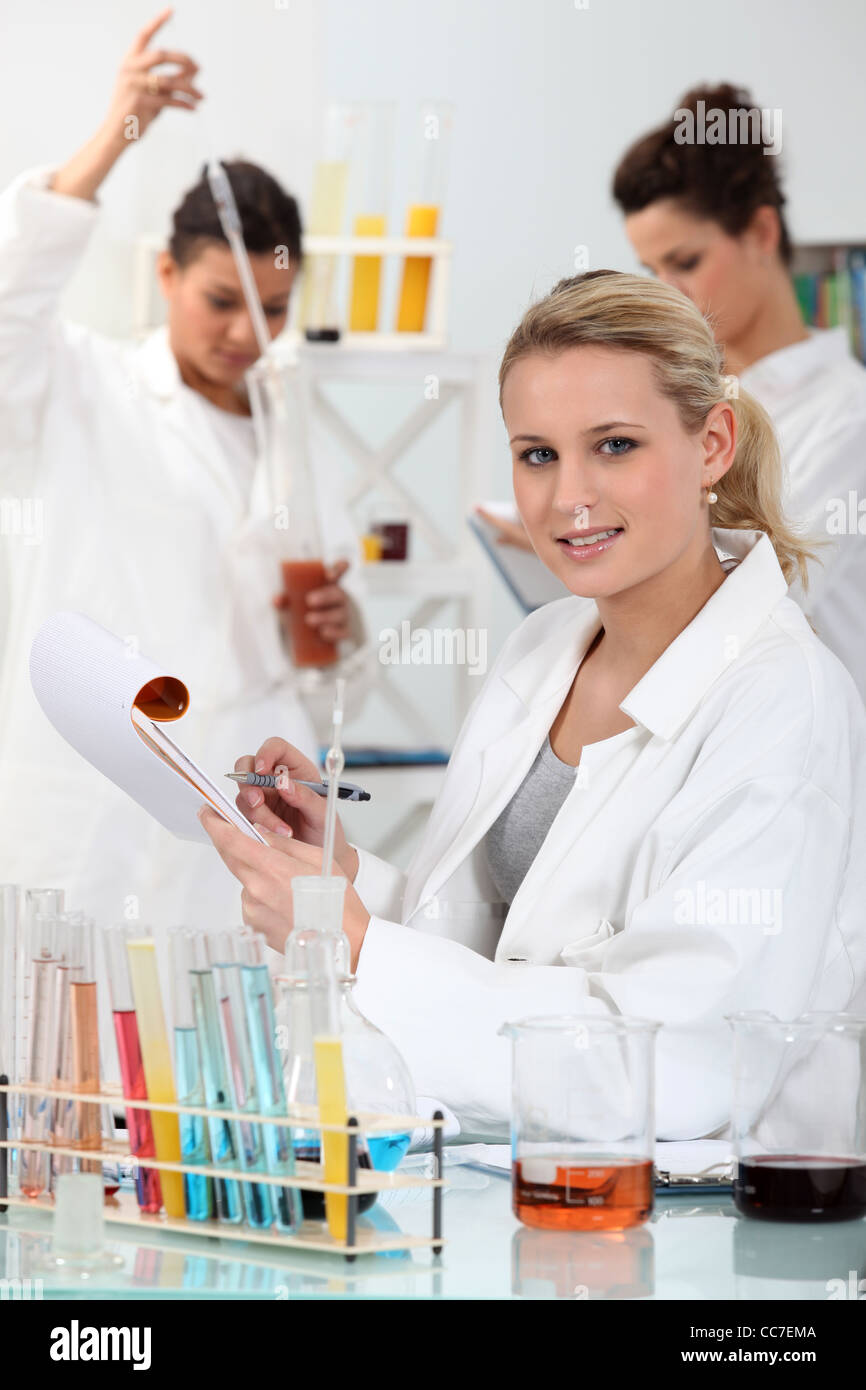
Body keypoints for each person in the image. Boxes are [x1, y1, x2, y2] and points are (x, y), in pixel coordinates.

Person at [200, 270, 866, 1143]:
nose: (567, 497)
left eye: (616, 446)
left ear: (713, 444)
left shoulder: (784, 697)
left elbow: (681, 1065)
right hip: (518, 1201)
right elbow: (496, 942)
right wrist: (347, 877)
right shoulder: (544, 647)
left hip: (707, 1236)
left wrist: (356, 943)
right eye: (538, 454)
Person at [0, 9, 371, 932]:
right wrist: (116, 132)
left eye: (274, 307)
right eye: (220, 301)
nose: (249, 333)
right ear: (165, 273)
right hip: (95, 819)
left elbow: (327, 684)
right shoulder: (82, 388)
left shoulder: (298, 437)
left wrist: (344, 632)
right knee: (70, 1064)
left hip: (244, 824)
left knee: (233, 1065)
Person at [481, 83, 866, 700]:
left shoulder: (849, 419)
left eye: (685, 262)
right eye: (651, 270)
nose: (669, 289)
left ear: (762, 232)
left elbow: (767, 590)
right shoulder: (660, 394)